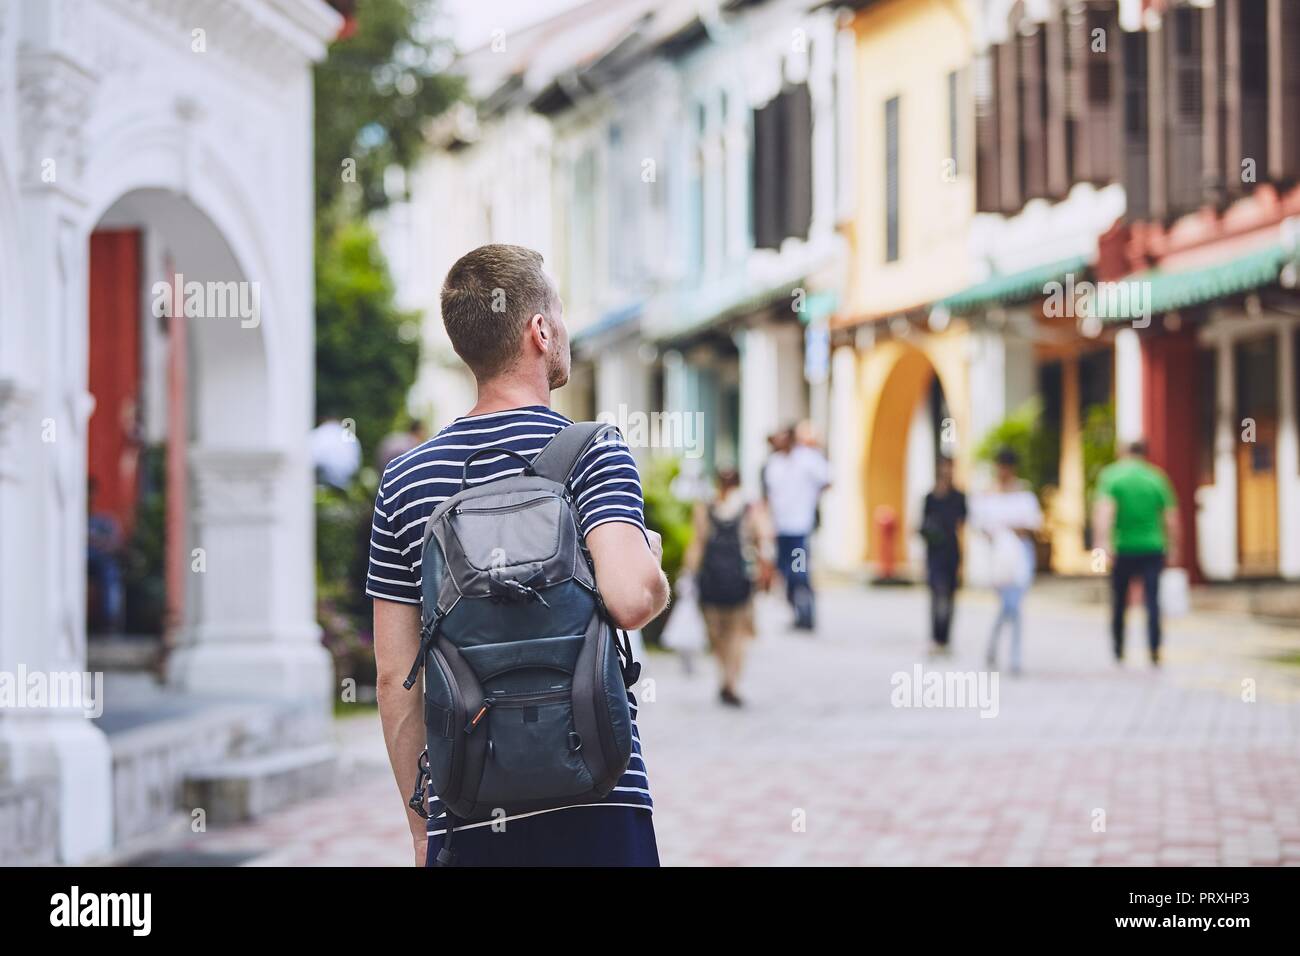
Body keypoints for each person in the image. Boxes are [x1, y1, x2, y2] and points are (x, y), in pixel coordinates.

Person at [367, 244, 669, 867]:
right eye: (558, 313)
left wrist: (424, 830)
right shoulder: (593, 450)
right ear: (540, 330)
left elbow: (397, 681)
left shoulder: (405, 480)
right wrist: (653, 560)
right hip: (598, 795)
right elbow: (634, 598)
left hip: (471, 804)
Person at [682, 468, 774, 706]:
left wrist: (688, 574)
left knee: (717, 634)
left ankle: (725, 678)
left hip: (711, 581)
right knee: (737, 634)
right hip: (739, 581)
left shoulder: (705, 508)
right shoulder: (750, 509)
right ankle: (731, 681)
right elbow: (763, 539)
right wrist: (765, 571)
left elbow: (697, 544)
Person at [1093, 439, 1180, 666]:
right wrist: (1173, 548)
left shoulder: (1112, 476)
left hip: (1122, 548)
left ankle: (1119, 648)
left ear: (1123, 452)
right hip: (1152, 547)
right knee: (1152, 601)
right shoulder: (1157, 478)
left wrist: (1102, 546)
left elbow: (1104, 513)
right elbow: (1171, 518)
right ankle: (1154, 649)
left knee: (1119, 601)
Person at [972, 448, 1042, 675]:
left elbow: (1031, 524)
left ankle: (1010, 655)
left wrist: (1010, 528)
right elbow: (981, 526)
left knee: (1013, 605)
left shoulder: (1023, 494)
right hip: (998, 556)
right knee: (1008, 605)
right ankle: (1002, 651)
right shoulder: (987, 495)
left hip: (1021, 554)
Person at [763, 426, 829, 631]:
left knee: (799, 571)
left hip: (799, 528)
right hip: (780, 528)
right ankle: (796, 612)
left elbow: (827, 480)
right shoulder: (774, 463)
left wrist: (811, 498)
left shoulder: (808, 459)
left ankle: (807, 614)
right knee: (784, 572)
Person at [920, 457, 966, 656]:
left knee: (949, 597)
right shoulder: (930, 497)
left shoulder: (958, 497)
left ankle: (945, 639)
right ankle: (936, 638)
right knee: (937, 595)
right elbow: (922, 525)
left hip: (951, 552)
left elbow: (962, 524)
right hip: (934, 553)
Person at [86, 478, 125, 635]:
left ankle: (110, 621)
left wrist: (94, 541)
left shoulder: (103, 521)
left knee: (110, 571)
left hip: (98, 561)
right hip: (73, 564)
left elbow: (115, 544)